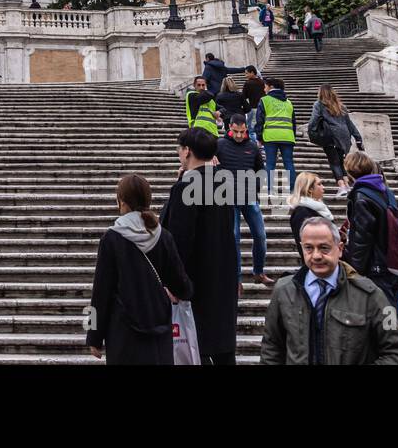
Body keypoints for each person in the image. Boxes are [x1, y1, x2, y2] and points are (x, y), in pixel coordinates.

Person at [259, 217, 398, 365]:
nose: (316, 255)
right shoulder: (283, 290)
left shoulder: (371, 295)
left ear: (339, 249)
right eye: (309, 248)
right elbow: (271, 348)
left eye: (324, 248)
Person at [87, 173, 193, 365]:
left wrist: (93, 336)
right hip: (159, 330)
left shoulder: (111, 239)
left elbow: (100, 292)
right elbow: (182, 283)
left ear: (122, 202)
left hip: (123, 333)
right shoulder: (164, 236)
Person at [161, 128, 239, 365]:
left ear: (187, 151)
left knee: (197, 345)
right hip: (223, 274)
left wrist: (173, 283)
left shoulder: (185, 189)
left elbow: (178, 240)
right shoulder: (224, 183)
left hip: (196, 281)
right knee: (224, 347)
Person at [343, 150, 398, 348]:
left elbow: (362, 237)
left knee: (388, 316)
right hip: (393, 262)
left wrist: (355, 269)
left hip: (377, 267)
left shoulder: (361, 196)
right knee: (396, 311)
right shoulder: (384, 190)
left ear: (350, 172)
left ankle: (396, 352)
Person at [216, 114, 273, 287]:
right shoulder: (219, 145)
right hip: (227, 198)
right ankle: (236, 278)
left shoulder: (253, 147)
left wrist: (256, 186)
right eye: (236, 131)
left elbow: (260, 169)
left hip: (249, 197)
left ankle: (259, 272)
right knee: (234, 239)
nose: (239, 135)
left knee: (261, 236)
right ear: (230, 128)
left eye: (242, 132)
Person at [308, 84, 365, 197]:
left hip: (330, 136)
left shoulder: (319, 104)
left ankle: (341, 186)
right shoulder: (341, 106)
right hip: (344, 136)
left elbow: (314, 120)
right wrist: (358, 138)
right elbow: (349, 124)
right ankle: (347, 185)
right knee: (340, 161)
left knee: (334, 162)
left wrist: (312, 132)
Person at [255, 76, 296, 196]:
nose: (264, 89)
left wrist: (259, 137)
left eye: (265, 86)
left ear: (271, 87)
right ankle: (293, 190)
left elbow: (260, 120)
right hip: (287, 136)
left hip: (271, 136)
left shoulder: (265, 100)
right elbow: (293, 121)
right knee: (289, 163)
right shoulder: (289, 102)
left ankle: (269, 190)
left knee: (270, 163)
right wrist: (292, 136)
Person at [287, 172, 336, 258]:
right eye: (319, 184)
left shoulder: (318, 208)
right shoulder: (302, 213)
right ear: (310, 189)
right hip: (318, 262)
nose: (323, 187)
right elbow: (305, 246)